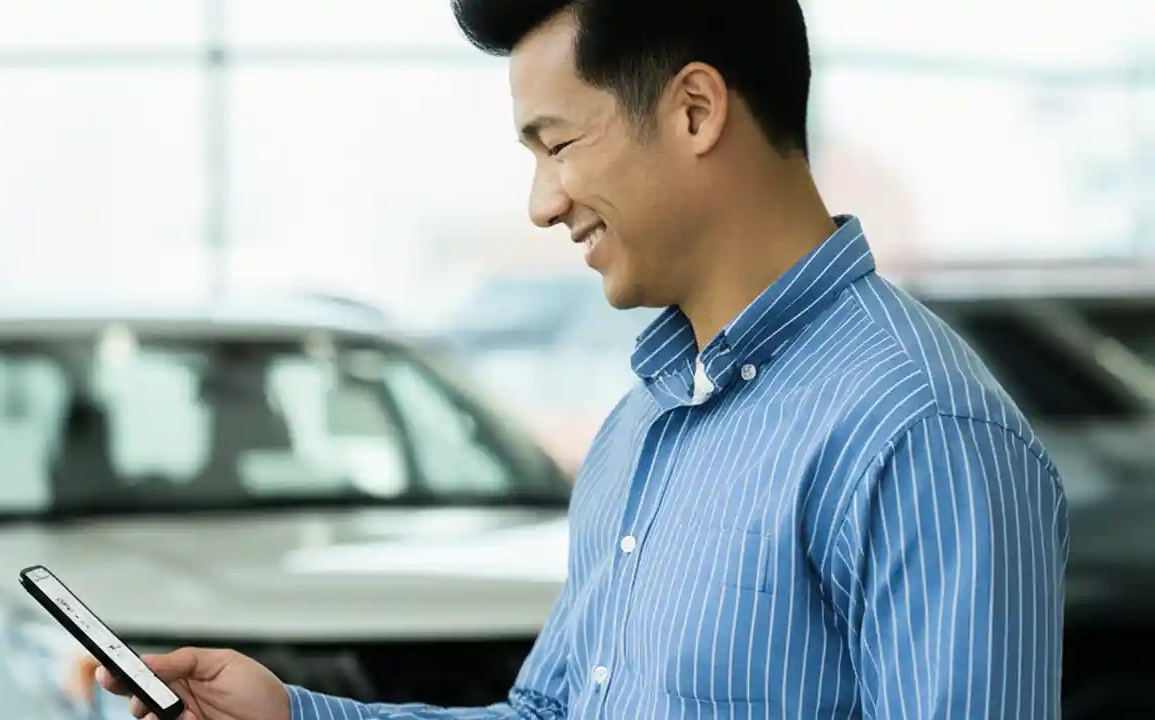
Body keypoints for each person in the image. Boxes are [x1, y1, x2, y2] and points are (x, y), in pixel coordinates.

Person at [96, 1, 1070, 718]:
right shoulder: (643, 425)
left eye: (556, 145)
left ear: (695, 111)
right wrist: (294, 717)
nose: (542, 203)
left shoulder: (922, 433)